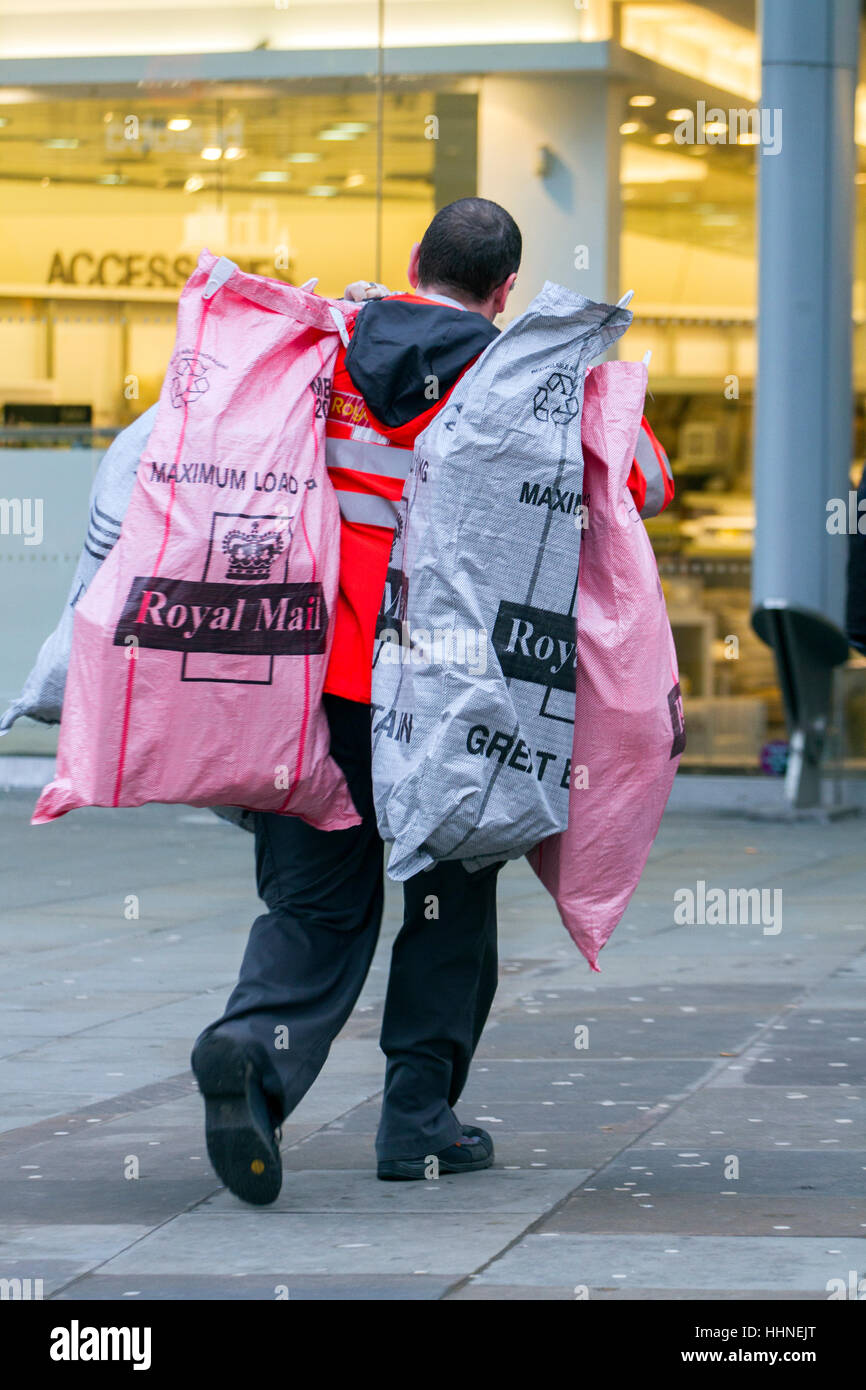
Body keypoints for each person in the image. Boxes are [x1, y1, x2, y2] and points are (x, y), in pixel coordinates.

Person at [190, 198, 522, 1204]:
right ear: (502, 290)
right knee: (445, 902)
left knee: (316, 901)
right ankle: (416, 1121)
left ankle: (251, 1052)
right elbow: (639, 479)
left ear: (413, 260)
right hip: (445, 694)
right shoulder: (514, 378)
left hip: (314, 683)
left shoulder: (326, 351)